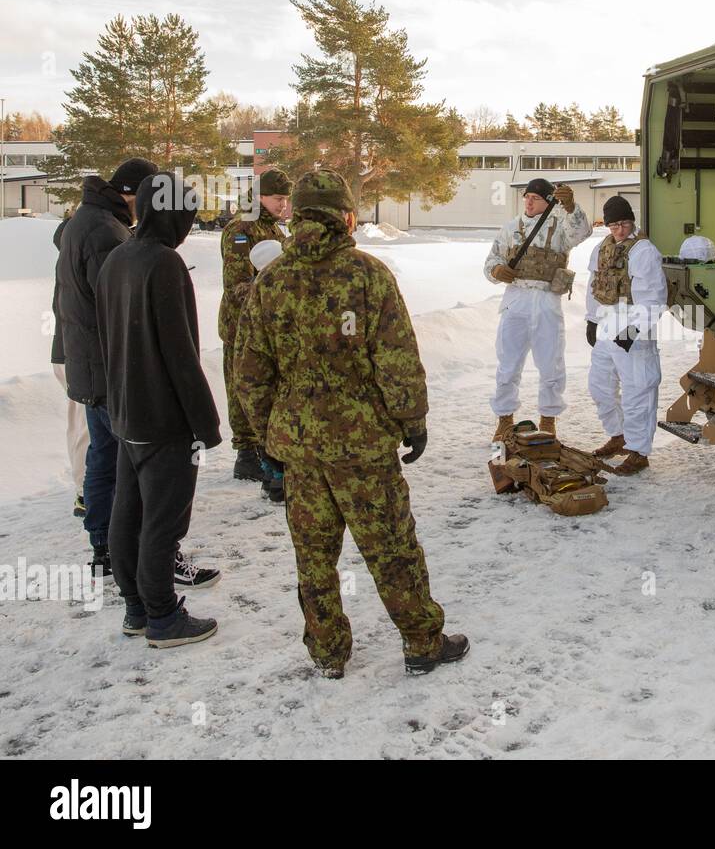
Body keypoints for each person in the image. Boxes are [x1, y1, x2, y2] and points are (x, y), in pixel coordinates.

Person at [234, 169, 467, 678]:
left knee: (314, 556)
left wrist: (269, 437)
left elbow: (249, 373)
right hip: (361, 447)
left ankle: (327, 653)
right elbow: (396, 358)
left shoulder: (270, 280)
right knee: (390, 546)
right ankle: (423, 643)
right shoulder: (366, 274)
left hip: (299, 448)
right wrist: (413, 420)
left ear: (296, 214)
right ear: (346, 215)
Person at [96, 172, 223, 646]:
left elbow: (107, 341)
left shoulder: (117, 258)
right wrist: (205, 424)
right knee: (162, 523)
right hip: (164, 419)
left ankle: (135, 610)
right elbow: (181, 353)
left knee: (127, 514)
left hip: (126, 414)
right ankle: (163, 616)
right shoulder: (164, 264)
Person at [56, 157, 157, 574]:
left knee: (105, 452)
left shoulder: (93, 220)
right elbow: (114, 305)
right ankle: (112, 546)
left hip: (89, 360)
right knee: (114, 456)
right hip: (103, 365)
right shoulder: (103, 231)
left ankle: (107, 544)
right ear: (131, 193)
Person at [484, 179, 591, 442]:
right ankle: (505, 420)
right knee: (508, 363)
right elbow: (492, 260)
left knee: (551, 363)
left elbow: (583, 232)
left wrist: (571, 207)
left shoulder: (561, 227)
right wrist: (497, 271)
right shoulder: (511, 228)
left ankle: (548, 420)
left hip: (546, 301)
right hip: (516, 299)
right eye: (527, 197)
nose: (529, 202)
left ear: (548, 201)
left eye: (536, 198)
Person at [219, 167, 292, 497]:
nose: (283, 205)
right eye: (278, 198)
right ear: (261, 196)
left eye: (286, 199)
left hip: (266, 325)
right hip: (241, 325)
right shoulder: (241, 228)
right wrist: (272, 289)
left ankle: (263, 452)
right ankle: (246, 454)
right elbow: (236, 285)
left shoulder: (270, 227)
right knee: (241, 387)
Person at [584, 196, 666, 475]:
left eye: (624, 223)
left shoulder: (644, 251)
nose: (619, 229)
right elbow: (594, 285)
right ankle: (618, 436)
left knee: (638, 390)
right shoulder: (602, 247)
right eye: (613, 224)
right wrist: (592, 320)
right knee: (600, 387)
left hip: (632, 324)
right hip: (607, 323)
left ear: (632, 221)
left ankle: (638, 451)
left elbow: (655, 298)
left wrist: (632, 331)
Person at [50, 215, 90, 518]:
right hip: (74, 355)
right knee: (87, 426)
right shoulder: (77, 258)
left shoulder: (70, 256)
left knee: (82, 423)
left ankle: (87, 489)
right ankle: (85, 491)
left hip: (70, 354)